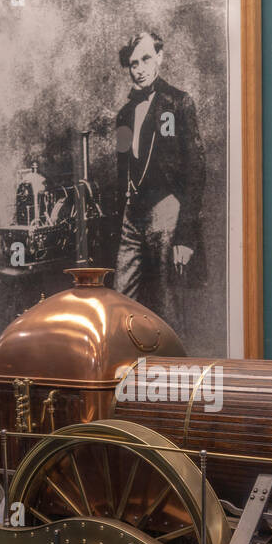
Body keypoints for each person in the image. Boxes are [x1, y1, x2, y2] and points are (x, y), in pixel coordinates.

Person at [112, 30, 205, 335]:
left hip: (166, 211)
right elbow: (123, 165)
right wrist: (124, 204)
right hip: (132, 214)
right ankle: (125, 372)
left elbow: (195, 169)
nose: (138, 68)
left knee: (166, 304)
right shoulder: (125, 114)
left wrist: (185, 236)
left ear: (160, 58)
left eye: (146, 59)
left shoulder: (178, 103)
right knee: (121, 299)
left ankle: (174, 373)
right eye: (133, 62)